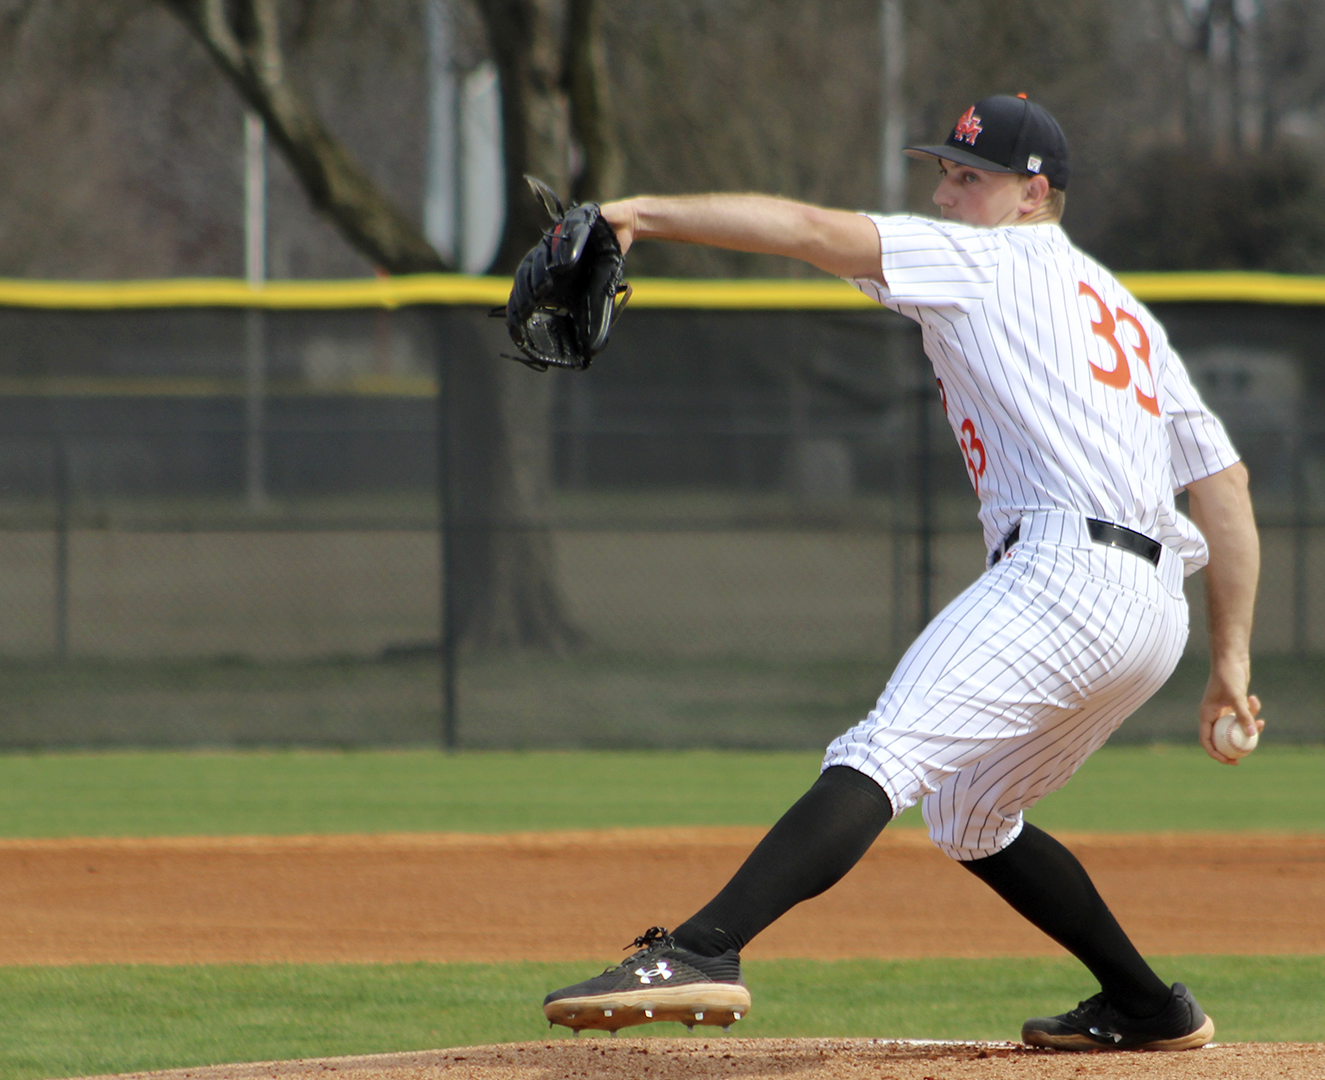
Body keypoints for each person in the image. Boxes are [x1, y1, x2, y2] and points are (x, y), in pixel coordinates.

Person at [540, 94, 1261, 1051]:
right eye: (944, 172)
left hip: (1064, 576)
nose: (946, 192)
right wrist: (1231, 665)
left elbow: (806, 231)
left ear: (1033, 194)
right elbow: (1225, 489)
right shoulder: (1123, 314)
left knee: (882, 751)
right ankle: (1147, 1005)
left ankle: (702, 949)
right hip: (1150, 614)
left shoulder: (983, 259)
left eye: (970, 177)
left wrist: (641, 216)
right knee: (970, 815)